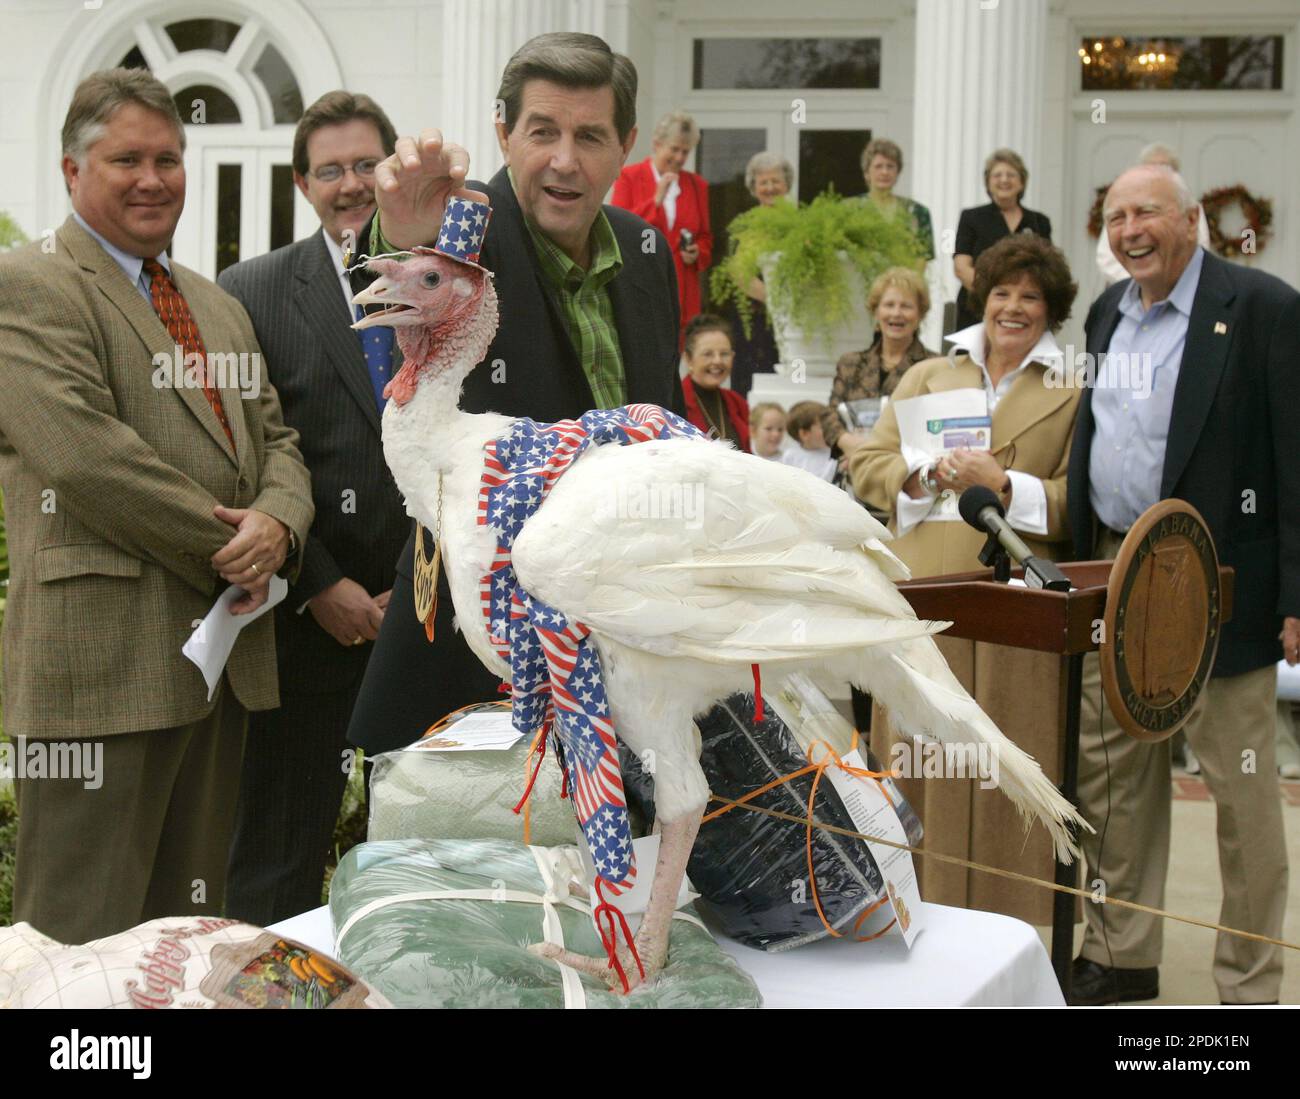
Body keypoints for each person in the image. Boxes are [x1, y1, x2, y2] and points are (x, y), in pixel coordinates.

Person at [0, 68, 313, 944]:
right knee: (77, 941)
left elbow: (275, 440)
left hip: (216, 667)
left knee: (181, 941)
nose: (152, 178)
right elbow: (86, 458)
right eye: (125, 159)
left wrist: (278, 522)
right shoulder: (28, 284)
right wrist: (233, 545)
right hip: (99, 669)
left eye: (168, 159)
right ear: (71, 172)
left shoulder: (213, 304)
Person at [345, 32, 683, 759]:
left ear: (625, 144)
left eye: (590, 135)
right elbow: (413, 265)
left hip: (621, 638)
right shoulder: (469, 229)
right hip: (474, 648)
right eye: (542, 132)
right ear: (503, 133)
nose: (565, 160)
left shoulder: (648, 252)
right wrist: (404, 226)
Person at [1067, 163, 1298, 1006]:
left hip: (1219, 583)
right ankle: (1123, 955)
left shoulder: (1263, 308)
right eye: (1118, 215)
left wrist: (1296, 594)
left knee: (1241, 794)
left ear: (1192, 219)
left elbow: (1295, 456)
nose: (1131, 229)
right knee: (1114, 779)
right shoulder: (1104, 314)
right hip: (1115, 572)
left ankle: (1249, 980)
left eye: (1149, 213)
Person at [217, 91, 411, 926]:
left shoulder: (451, 278)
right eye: (330, 169)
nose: (351, 184)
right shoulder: (250, 291)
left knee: (417, 853)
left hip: (427, 623)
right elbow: (243, 457)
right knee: (277, 862)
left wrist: (420, 586)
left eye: (367, 164)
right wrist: (317, 582)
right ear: (303, 183)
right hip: (303, 624)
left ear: (394, 170)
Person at [849, 234, 1080, 924]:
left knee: (1004, 765)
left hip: (1013, 609)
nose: (1013, 307)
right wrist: (919, 474)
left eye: (1030, 296)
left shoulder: (1071, 388)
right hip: (924, 598)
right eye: (1003, 292)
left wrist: (1005, 485)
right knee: (920, 764)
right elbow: (870, 463)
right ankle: (916, 911)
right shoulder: (927, 374)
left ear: (1051, 310)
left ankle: (1007, 929)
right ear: (982, 296)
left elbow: (1080, 501)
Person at [612, 109, 712, 340]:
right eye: (674, 149)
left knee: (680, 360)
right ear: (657, 144)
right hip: (642, 283)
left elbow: (706, 237)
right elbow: (618, 230)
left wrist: (698, 252)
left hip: (684, 290)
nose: (679, 158)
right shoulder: (629, 177)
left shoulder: (697, 186)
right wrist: (656, 200)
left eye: (685, 152)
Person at [820, 266, 934, 466]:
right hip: (852, 471)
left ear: (920, 315)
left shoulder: (934, 366)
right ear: (876, 311)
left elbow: (934, 429)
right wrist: (847, 443)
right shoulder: (850, 363)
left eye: (906, 306)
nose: (896, 313)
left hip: (905, 475)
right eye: (889, 304)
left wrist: (873, 455)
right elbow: (830, 414)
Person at [953, 148, 1052, 330]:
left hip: (1023, 312)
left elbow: (1047, 270)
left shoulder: (1039, 221)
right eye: (997, 175)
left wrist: (1014, 300)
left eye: (1011, 175)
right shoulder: (971, 217)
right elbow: (961, 267)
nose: (1004, 180)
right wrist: (996, 297)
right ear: (988, 182)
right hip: (976, 309)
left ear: (1022, 182)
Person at [1096, 144, 1210, 287]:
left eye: (1148, 212)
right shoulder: (1121, 209)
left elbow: (1201, 247)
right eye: (1151, 168)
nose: (1130, 231)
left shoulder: (1189, 206)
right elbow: (1106, 258)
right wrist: (1140, 283)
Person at [728, 151, 794, 396]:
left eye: (775, 181)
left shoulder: (799, 223)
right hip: (752, 318)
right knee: (749, 385)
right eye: (763, 182)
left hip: (791, 320)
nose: (770, 187)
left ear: (787, 184)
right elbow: (737, 270)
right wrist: (774, 298)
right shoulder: (744, 224)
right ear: (753, 188)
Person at [857, 138, 933, 268]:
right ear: (866, 173)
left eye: (890, 166)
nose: (885, 172)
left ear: (898, 172)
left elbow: (922, 258)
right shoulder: (853, 209)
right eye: (878, 166)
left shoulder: (918, 211)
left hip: (905, 285)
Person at [681, 313, 749, 452]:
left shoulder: (738, 403)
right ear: (688, 359)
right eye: (708, 354)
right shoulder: (676, 402)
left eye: (724, 354)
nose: (717, 361)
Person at [780, 402, 836, 481]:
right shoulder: (791, 456)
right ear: (804, 434)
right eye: (825, 426)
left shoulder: (835, 453)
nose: (832, 429)